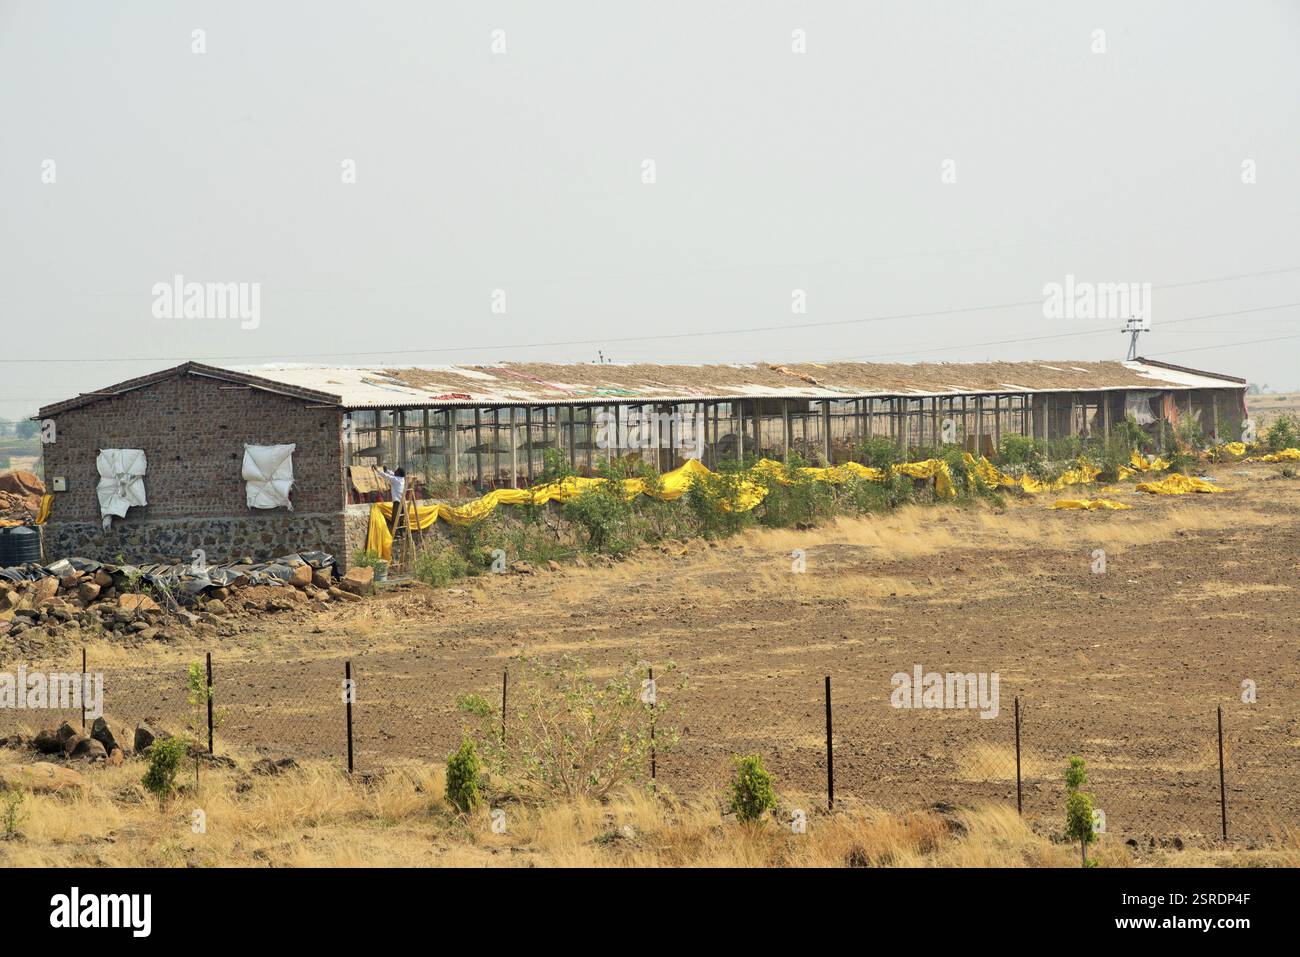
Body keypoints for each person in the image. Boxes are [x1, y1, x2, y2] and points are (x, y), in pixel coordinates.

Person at [377, 466, 406, 534]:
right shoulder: (401, 479)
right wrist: (387, 470)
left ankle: (396, 533)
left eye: (396, 470)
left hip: (397, 502)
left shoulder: (395, 479)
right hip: (402, 501)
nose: (395, 471)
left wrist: (377, 470)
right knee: (401, 517)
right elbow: (392, 474)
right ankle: (402, 532)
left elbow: (386, 476)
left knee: (395, 517)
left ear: (398, 473)